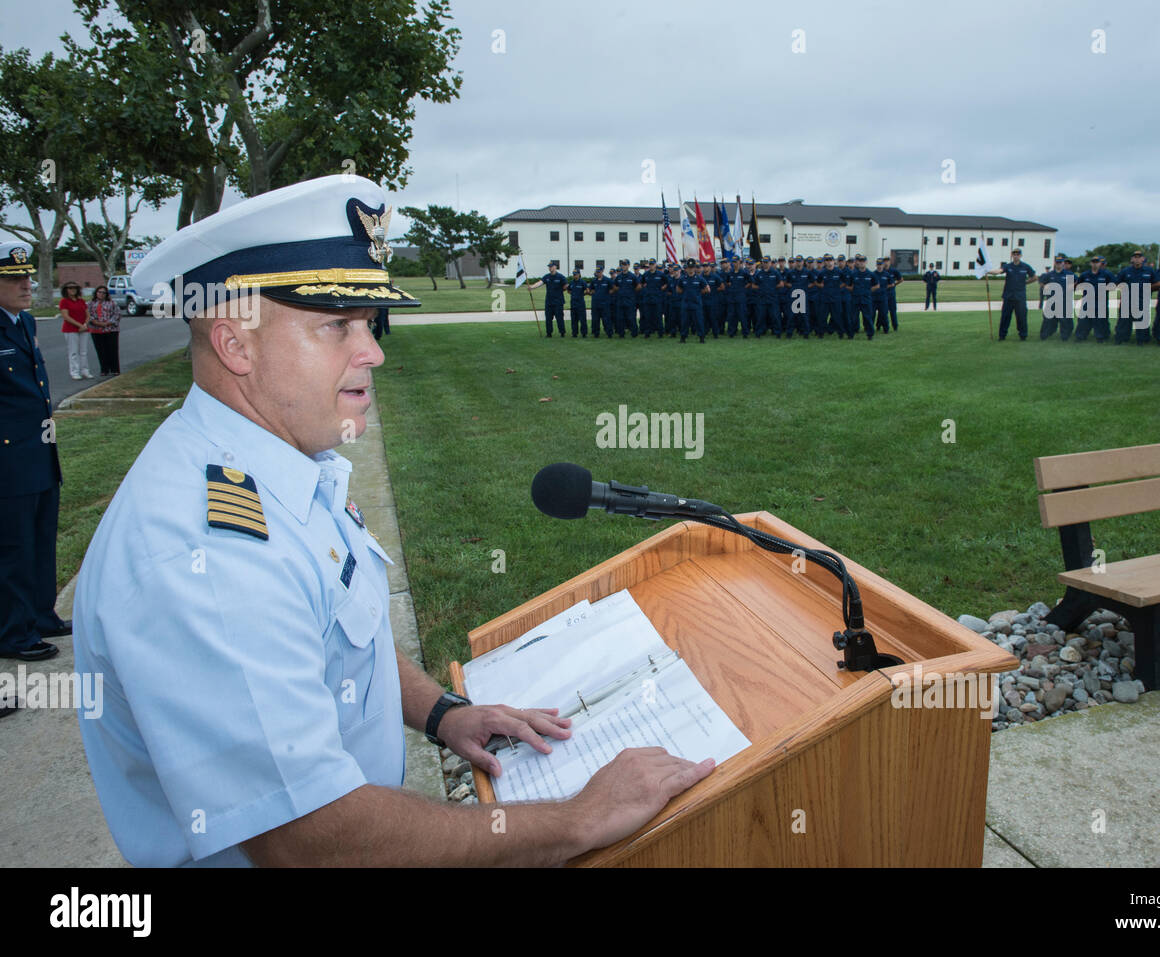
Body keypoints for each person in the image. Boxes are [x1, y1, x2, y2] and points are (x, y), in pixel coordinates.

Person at [72, 175, 713, 868]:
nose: (373, 350)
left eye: (366, 323)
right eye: (336, 324)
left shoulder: (282, 461)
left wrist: (442, 712)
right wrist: (577, 818)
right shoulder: (209, 555)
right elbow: (316, 839)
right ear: (236, 344)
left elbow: (347, 637)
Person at [0, 240, 67, 666]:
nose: (27, 284)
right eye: (14, 279)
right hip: (8, 462)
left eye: (27, 276)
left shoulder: (23, 323)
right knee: (13, 549)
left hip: (39, 453)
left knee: (42, 541)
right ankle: (15, 632)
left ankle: (41, 614)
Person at [985, 248, 1036, 340]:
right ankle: (1002, 336)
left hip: (1020, 298)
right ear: (1012, 255)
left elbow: (1034, 277)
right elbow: (998, 271)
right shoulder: (1008, 266)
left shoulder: (1025, 266)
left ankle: (1023, 336)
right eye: (1014, 254)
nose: (1016, 256)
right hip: (1008, 297)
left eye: (1018, 254)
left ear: (1020, 255)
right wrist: (988, 271)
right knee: (1005, 317)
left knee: (1021, 318)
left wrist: (1025, 283)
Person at [1113, 250, 1156, 345]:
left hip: (1142, 300)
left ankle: (1141, 340)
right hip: (1126, 301)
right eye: (1135, 257)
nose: (1137, 259)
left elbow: (1157, 283)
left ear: (1143, 259)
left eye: (1139, 257)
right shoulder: (1125, 271)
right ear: (1132, 259)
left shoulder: (1149, 271)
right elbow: (1116, 283)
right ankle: (1120, 339)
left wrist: (1148, 288)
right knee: (1123, 322)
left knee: (1141, 321)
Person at [1073, 256, 1116, 342]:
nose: (1095, 264)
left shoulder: (1106, 274)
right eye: (1093, 262)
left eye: (1097, 262)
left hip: (1100, 302)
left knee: (1100, 321)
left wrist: (1104, 288)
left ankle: (1100, 337)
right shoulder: (1085, 274)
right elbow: (1077, 285)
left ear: (1100, 263)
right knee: (1083, 320)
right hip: (1087, 301)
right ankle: (1080, 337)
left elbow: (1113, 285)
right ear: (1090, 263)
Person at [59, 281, 91, 380]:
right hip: (71, 329)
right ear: (66, 290)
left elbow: (88, 314)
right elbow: (66, 316)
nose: (72, 290)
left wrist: (85, 324)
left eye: (74, 288)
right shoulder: (64, 301)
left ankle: (85, 370)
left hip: (84, 329)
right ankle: (74, 371)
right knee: (73, 352)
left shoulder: (81, 301)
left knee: (83, 351)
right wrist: (79, 325)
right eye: (70, 288)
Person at [87, 285, 122, 375]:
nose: (101, 294)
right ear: (96, 293)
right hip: (96, 330)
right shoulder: (90, 304)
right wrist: (96, 322)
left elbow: (117, 314)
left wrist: (107, 323)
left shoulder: (112, 303)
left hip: (111, 330)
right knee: (101, 350)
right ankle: (104, 369)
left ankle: (115, 369)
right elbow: (88, 315)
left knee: (112, 350)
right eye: (99, 292)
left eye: (104, 293)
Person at [528, 260, 567, 337]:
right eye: (549, 267)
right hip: (549, 302)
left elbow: (565, 286)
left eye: (551, 266)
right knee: (548, 319)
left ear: (555, 267)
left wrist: (560, 291)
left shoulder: (561, 277)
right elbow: (540, 283)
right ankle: (549, 333)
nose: (550, 268)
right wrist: (532, 287)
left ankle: (562, 332)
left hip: (558, 302)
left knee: (559, 318)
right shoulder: (547, 277)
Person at [588, 264, 614, 338]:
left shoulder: (607, 280)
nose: (598, 273)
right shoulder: (594, 281)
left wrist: (608, 294)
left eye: (599, 272)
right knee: (595, 320)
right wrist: (591, 292)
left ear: (602, 271)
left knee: (606, 319)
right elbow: (590, 290)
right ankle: (596, 333)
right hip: (595, 304)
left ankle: (609, 333)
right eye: (597, 272)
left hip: (605, 304)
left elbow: (613, 288)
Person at [567, 267, 588, 338]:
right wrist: (574, 294)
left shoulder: (582, 282)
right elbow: (568, 290)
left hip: (581, 304)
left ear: (579, 274)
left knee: (582, 320)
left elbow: (587, 290)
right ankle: (574, 333)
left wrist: (582, 294)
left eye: (576, 274)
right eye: (573, 274)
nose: (574, 275)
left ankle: (584, 333)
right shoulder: (572, 282)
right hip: (573, 304)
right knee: (574, 320)